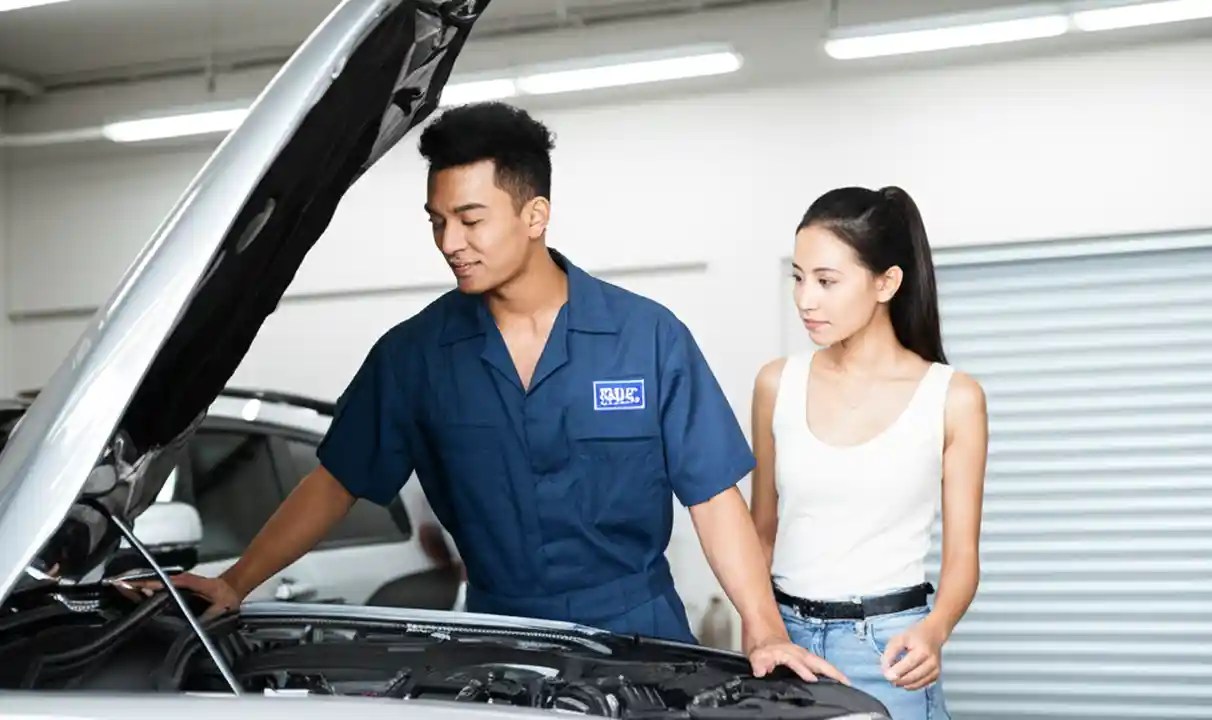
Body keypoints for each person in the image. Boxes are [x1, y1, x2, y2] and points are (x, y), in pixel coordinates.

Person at [149, 101, 846, 685]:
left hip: (641, 635)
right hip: (494, 641)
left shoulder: (647, 338)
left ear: (534, 215)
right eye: (436, 221)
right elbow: (335, 483)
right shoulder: (414, 356)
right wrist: (236, 582)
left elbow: (713, 498)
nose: (450, 241)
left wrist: (763, 629)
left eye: (471, 218)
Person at [749, 186, 988, 718]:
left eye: (826, 281)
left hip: (887, 651)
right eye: (798, 278)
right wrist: (758, 629)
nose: (805, 299)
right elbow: (761, 532)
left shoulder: (953, 398)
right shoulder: (775, 385)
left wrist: (935, 630)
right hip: (786, 647)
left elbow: (962, 559)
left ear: (887, 283)